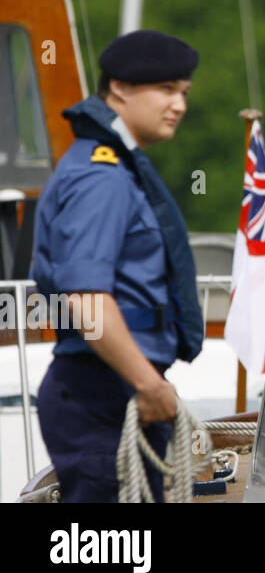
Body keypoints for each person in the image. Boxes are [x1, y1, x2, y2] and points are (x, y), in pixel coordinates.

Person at [32, 30, 205, 502]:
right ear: (120, 90)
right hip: (100, 393)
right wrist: (148, 384)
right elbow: (86, 299)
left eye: (183, 93)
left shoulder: (113, 171)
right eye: (165, 89)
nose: (179, 105)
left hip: (114, 388)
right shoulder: (101, 177)